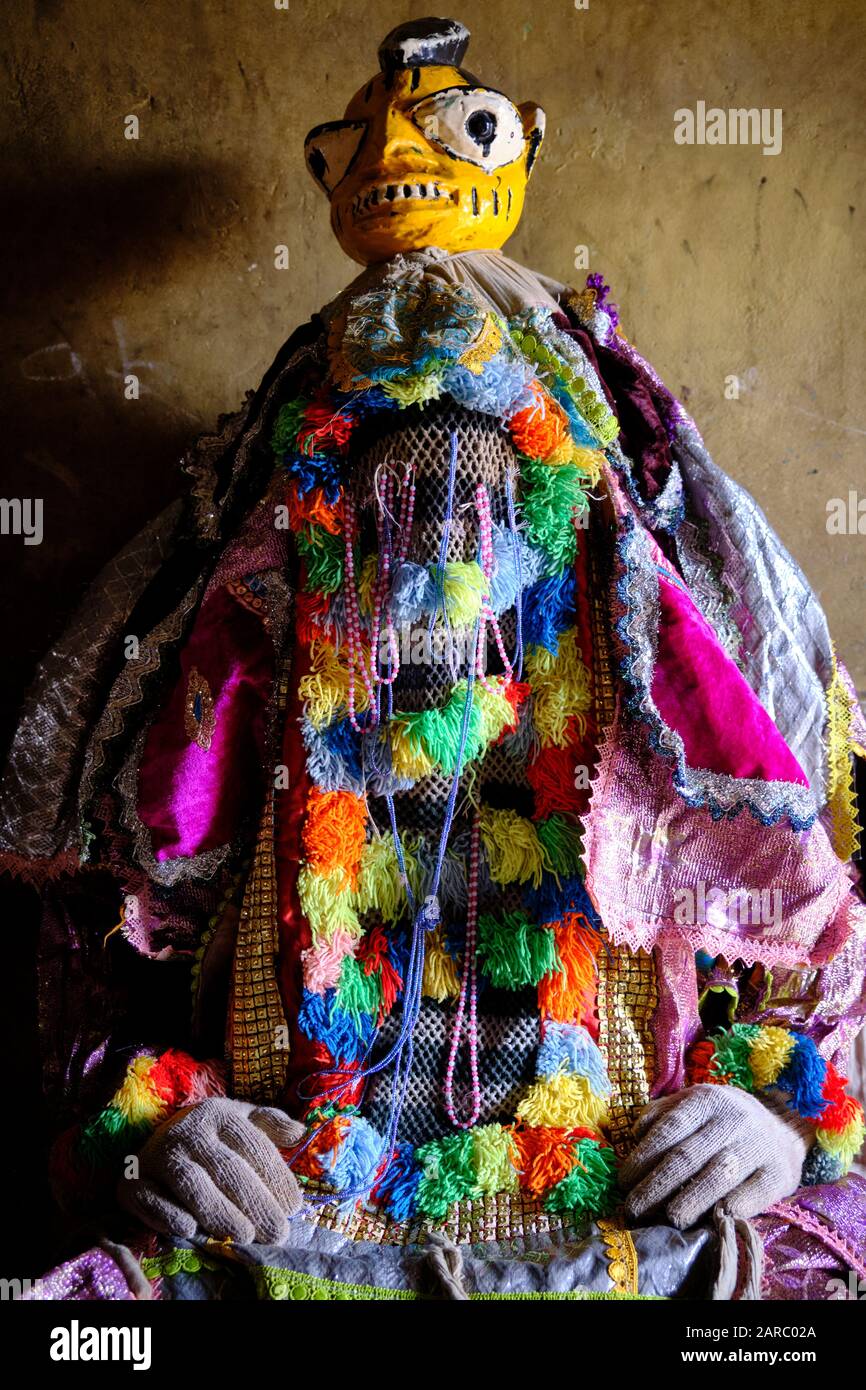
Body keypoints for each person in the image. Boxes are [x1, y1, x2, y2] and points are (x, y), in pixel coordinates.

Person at [4, 17, 865, 1302]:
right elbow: (85, 1006)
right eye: (385, 519)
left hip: (616, 1241)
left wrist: (778, 1125)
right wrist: (156, 1131)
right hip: (299, 1247)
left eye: (480, 515)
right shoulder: (233, 709)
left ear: (574, 527)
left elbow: (831, 999)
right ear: (296, 533)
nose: (435, 570)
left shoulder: (667, 761)